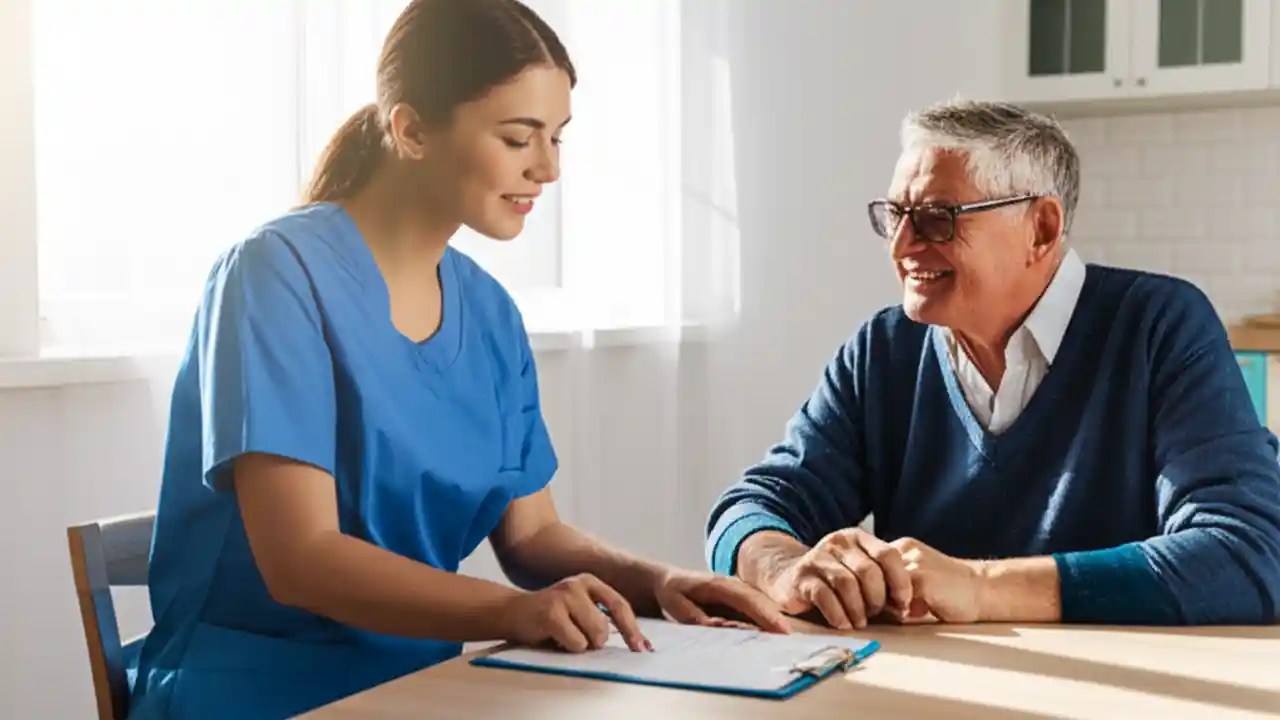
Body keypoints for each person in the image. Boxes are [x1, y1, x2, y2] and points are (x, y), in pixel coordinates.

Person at [129, 1, 787, 717]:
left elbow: (532, 535)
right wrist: (511, 614)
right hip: (262, 691)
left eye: (558, 139)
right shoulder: (274, 274)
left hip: (432, 688)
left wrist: (658, 580)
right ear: (411, 129)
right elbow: (301, 559)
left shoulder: (492, 312)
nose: (548, 168)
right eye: (517, 138)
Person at [705, 99, 1280, 630]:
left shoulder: (1159, 325)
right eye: (894, 215)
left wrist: (980, 586)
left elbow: (1250, 552)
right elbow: (752, 507)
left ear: (1042, 228)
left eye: (936, 218)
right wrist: (782, 568)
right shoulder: (883, 351)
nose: (903, 244)